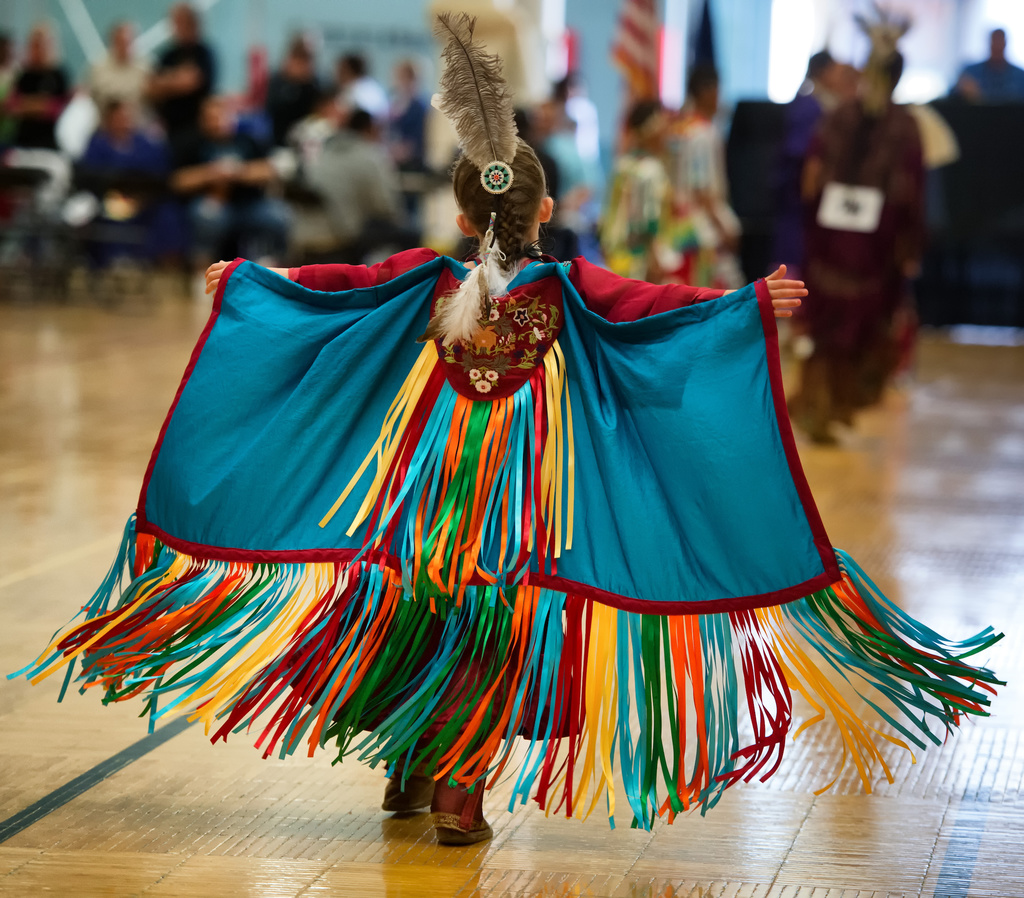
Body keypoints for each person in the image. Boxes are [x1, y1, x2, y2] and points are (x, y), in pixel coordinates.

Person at [19, 12, 1000, 850]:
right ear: (548, 208)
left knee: (413, 607)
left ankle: (408, 769)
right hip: (518, 502)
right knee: (488, 626)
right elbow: (654, 307)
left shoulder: (426, 277)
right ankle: (455, 795)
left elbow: (334, 288)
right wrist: (742, 305)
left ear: (456, 208)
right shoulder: (564, 290)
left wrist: (250, 285)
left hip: (418, 493)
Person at [789, 11, 924, 444]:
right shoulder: (899, 126)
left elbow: (810, 179)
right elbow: (911, 197)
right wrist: (908, 249)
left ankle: (830, 406)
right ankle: (825, 406)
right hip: (859, 251)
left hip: (845, 249)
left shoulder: (850, 119)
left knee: (837, 329)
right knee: (846, 329)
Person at [171, 95, 289, 265]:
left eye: (221, 116)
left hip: (249, 205)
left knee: (278, 214)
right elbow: (178, 181)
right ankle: (204, 274)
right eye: (210, 118)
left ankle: (271, 269)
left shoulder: (247, 140)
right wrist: (211, 173)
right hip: (212, 203)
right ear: (202, 120)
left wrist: (238, 171)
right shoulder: (192, 143)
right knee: (207, 216)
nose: (216, 123)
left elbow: (268, 169)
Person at [661, 64, 744, 289]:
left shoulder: (678, 128)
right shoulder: (703, 133)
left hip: (675, 220)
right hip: (701, 224)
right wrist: (722, 225)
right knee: (713, 290)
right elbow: (702, 185)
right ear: (708, 91)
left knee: (683, 287)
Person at [77, 100, 181, 266]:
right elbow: (89, 176)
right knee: (112, 211)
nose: (125, 120)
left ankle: (168, 268)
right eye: (119, 117)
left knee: (168, 213)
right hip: (109, 199)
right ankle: (116, 262)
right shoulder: (98, 143)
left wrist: (142, 194)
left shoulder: (147, 144)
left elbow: (161, 174)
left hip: (145, 200)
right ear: (109, 119)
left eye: (127, 116)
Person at [772, 51, 845, 276]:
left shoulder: (823, 104)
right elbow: (804, 161)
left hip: (808, 207)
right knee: (792, 272)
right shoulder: (809, 107)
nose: (841, 79)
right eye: (838, 72)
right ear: (823, 72)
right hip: (800, 207)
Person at [304, 108, 407, 261]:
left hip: (306, 236)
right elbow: (386, 207)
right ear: (370, 129)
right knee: (408, 235)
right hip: (345, 237)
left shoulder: (323, 153)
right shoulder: (369, 156)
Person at [600, 100, 671, 280]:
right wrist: (655, 258)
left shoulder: (621, 165)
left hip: (617, 255)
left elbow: (608, 214)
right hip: (643, 259)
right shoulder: (651, 170)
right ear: (651, 132)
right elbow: (649, 221)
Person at [147, 3, 215, 161]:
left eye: (179, 22)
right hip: (168, 128)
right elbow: (151, 88)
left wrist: (166, 81)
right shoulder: (168, 55)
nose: (174, 27)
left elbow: (191, 82)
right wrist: (177, 78)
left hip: (197, 128)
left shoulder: (204, 53)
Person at [5, 23, 69, 150]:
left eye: (44, 44)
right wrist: (40, 104)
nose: (40, 49)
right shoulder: (24, 75)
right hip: (23, 141)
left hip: (50, 142)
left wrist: (27, 105)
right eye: (36, 45)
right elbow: (11, 106)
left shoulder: (59, 75)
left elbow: (56, 108)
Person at [266, 34, 321, 147]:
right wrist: (290, 82)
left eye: (305, 59)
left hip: (307, 139)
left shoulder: (313, 83)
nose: (301, 65)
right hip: (279, 139)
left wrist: (304, 84)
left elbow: (316, 109)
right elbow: (271, 107)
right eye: (298, 58)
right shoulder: (279, 79)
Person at [87, 22, 150, 113]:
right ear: (112, 42)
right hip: (106, 119)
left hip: (139, 119)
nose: (125, 47)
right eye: (120, 42)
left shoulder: (147, 65)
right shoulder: (97, 67)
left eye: (128, 42)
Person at [955, 28, 1024, 102]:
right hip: (977, 113)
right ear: (989, 43)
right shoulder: (970, 73)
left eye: (1000, 42)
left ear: (1005, 44)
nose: (997, 46)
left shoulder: (1020, 76)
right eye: (995, 41)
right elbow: (951, 99)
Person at [335, 52, 389, 122]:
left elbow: (372, 116)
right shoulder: (349, 88)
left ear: (349, 70)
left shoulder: (367, 89)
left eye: (341, 70)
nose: (337, 74)